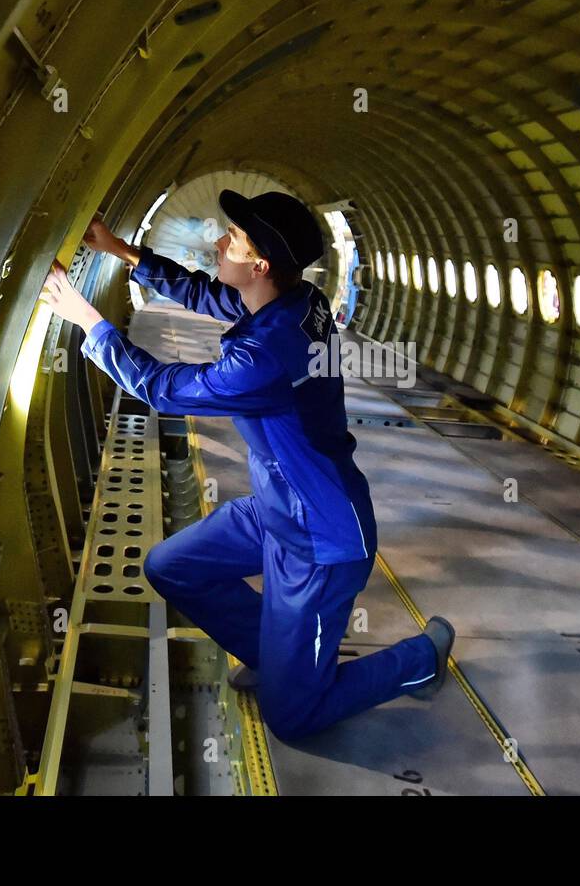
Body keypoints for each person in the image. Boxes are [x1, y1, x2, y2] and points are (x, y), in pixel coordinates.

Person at [40, 188, 455, 742]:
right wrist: (121, 250)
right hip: (276, 511)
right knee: (171, 567)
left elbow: (163, 388)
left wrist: (86, 319)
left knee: (292, 721)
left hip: (321, 543)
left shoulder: (262, 358)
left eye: (232, 238)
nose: (218, 242)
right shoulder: (294, 301)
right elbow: (207, 295)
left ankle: (420, 661)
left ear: (259, 265)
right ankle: (278, 658)